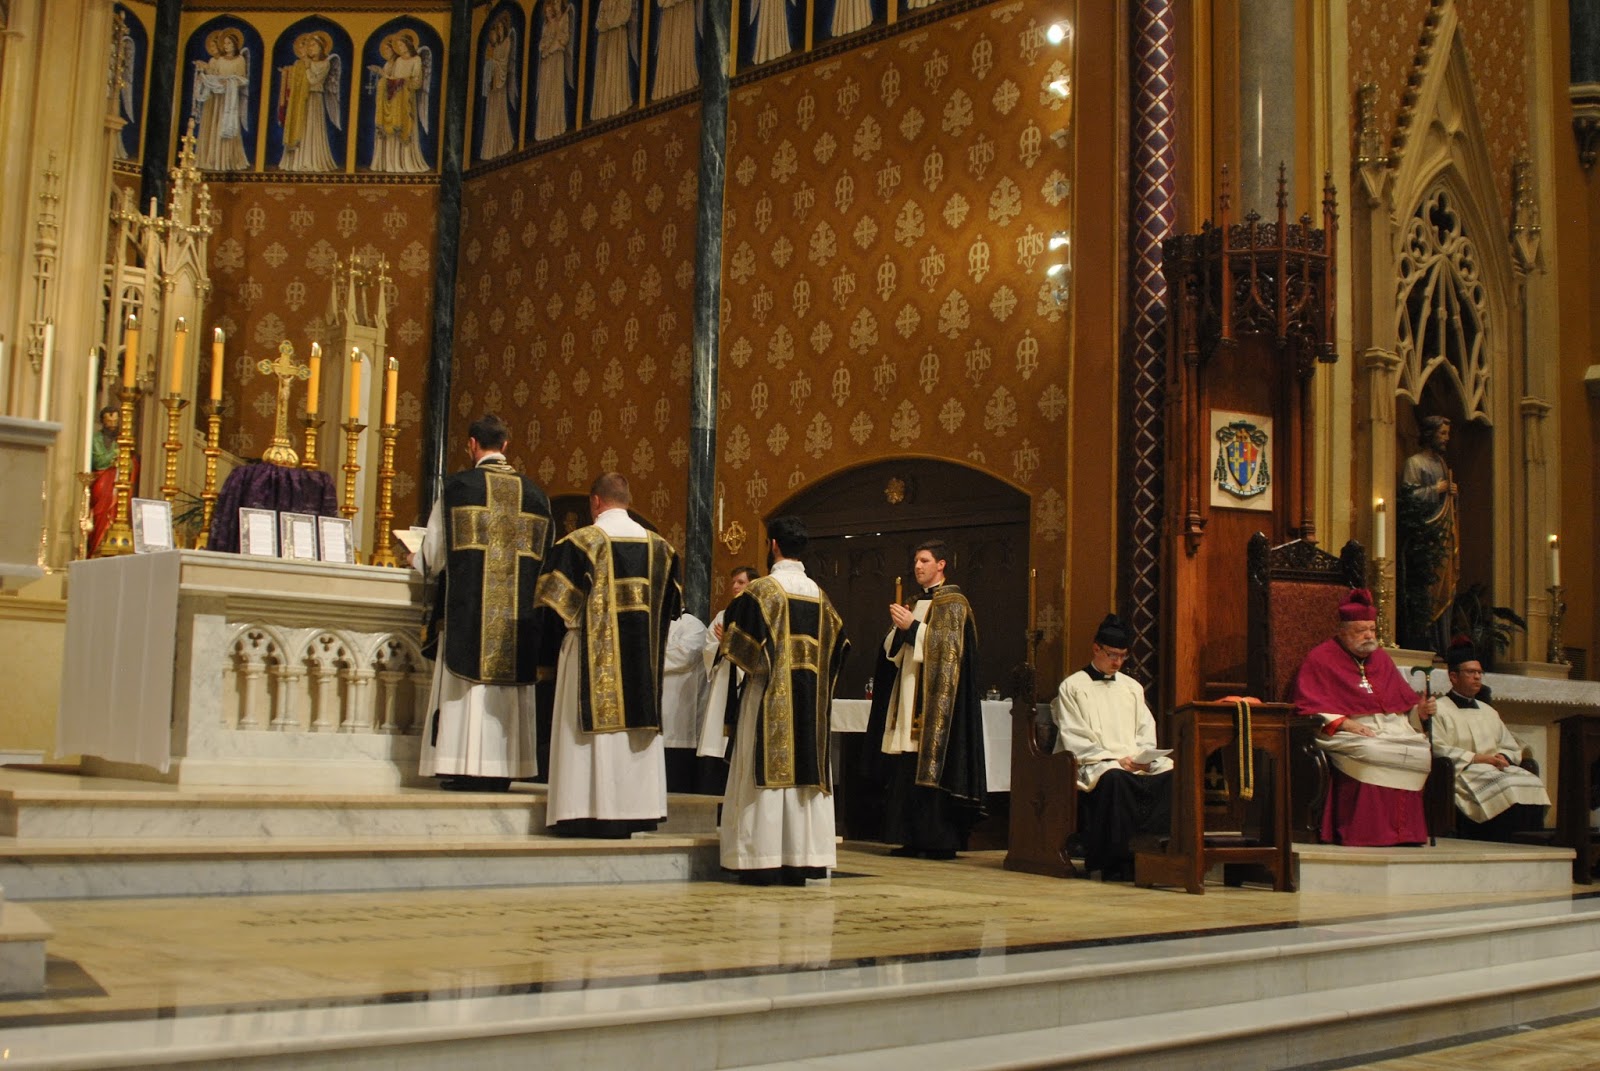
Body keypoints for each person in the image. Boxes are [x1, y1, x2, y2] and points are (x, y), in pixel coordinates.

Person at [699, 516, 848, 885]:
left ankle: (761, 859)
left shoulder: (760, 593)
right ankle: (802, 859)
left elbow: (740, 652)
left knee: (761, 771)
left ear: (774, 546)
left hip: (767, 699)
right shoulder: (822, 598)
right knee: (803, 779)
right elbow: (839, 651)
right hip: (810, 709)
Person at [536, 472, 682, 837]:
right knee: (633, 729)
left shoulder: (579, 542)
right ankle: (635, 811)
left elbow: (555, 605)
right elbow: (673, 610)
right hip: (643, 667)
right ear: (628, 501)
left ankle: (582, 811)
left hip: (589, 658)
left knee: (584, 736)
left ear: (595, 502)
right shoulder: (663, 550)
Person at [413, 414, 554, 791]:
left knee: (466, 692)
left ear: (472, 444)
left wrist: (416, 558)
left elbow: (433, 555)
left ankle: (464, 767)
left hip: (469, 617)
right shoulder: (536, 496)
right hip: (516, 623)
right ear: (505, 445)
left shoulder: (459, 488)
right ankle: (503, 767)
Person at [865, 539, 986, 859]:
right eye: (916, 561)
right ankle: (910, 837)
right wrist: (899, 629)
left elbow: (950, 650)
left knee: (932, 766)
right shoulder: (914, 601)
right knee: (906, 766)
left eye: (925, 561)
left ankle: (939, 841)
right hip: (908, 694)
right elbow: (892, 653)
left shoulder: (954, 602)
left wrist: (914, 627)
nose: (917, 566)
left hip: (937, 704)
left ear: (941, 564)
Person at [1290, 588, 1436, 846]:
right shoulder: (1321, 658)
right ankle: (1369, 832)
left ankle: (1405, 833)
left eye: (1372, 629)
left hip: (1390, 727)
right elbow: (1308, 705)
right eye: (1361, 630)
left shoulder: (1381, 659)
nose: (1369, 636)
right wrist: (1345, 723)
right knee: (1371, 750)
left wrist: (1419, 712)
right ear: (1343, 631)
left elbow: (1402, 704)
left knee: (1420, 751)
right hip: (1346, 727)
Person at [1050, 614, 1173, 881]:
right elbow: (1074, 736)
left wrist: (1142, 757)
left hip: (1133, 761)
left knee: (1170, 774)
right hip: (1095, 763)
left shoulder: (1132, 688)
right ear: (1096, 648)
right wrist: (1116, 760)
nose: (1117, 662)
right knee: (1115, 778)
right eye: (1112, 655)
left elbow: (1145, 729)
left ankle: (1160, 857)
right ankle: (1115, 863)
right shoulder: (1072, 686)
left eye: (1123, 656)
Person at [1432, 638, 1549, 840]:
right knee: (1507, 786)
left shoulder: (1488, 711)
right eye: (1471, 672)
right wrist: (1478, 758)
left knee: (1531, 782)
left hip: (1495, 767)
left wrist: (1503, 756)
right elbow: (1437, 748)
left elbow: (1509, 744)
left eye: (1479, 672)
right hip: (1464, 771)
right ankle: (1499, 837)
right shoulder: (1439, 709)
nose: (1477, 677)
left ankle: (1527, 840)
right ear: (1453, 676)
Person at [1399, 414, 1459, 650]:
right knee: (1427, 589)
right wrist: (1436, 489)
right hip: (1425, 537)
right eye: (1442, 433)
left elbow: (1446, 503)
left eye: (1447, 434)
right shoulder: (1414, 463)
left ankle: (1443, 642)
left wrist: (1452, 493)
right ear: (1429, 434)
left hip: (1442, 533)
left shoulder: (1442, 463)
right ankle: (1427, 640)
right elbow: (1409, 497)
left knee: (1444, 585)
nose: (1446, 438)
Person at [660, 610, 710, 793]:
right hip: (657, 718)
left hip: (681, 724)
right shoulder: (653, 624)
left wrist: (649, 653)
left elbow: (685, 657)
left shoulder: (693, 625)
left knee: (676, 784)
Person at [278, 31, 342, 173]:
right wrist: (287, 73)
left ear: (321, 48)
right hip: (299, 101)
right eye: (309, 46)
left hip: (314, 99)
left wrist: (307, 67)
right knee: (299, 126)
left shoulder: (325, 64)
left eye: (313, 45)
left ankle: (312, 160)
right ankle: (296, 161)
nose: (310, 48)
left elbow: (313, 80)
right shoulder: (301, 63)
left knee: (311, 128)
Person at [368, 30, 431, 173]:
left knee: (405, 127)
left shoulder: (416, 60)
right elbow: (392, 79)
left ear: (409, 45)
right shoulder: (398, 61)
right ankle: (391, 161)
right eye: (398, 46)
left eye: (402, 46)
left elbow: (417, 83)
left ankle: (405, 161)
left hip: (406, 99)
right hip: (394, 99)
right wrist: (385, 77)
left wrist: (401, 81)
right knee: (392, 128)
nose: (400, 49)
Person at [192, 28, 252, 171]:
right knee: (214, 124)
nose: (226, 46)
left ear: (235, 44)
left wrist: (230, 81)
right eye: (224, 43)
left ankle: (226, 160)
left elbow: (244, 80)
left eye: (229, 43)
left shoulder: (240, 60)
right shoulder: (218, 60)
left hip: (229, 99)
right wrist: (204, 70)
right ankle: (212, 159)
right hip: (216, 98)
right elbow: (214, 75)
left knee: (225, 125)